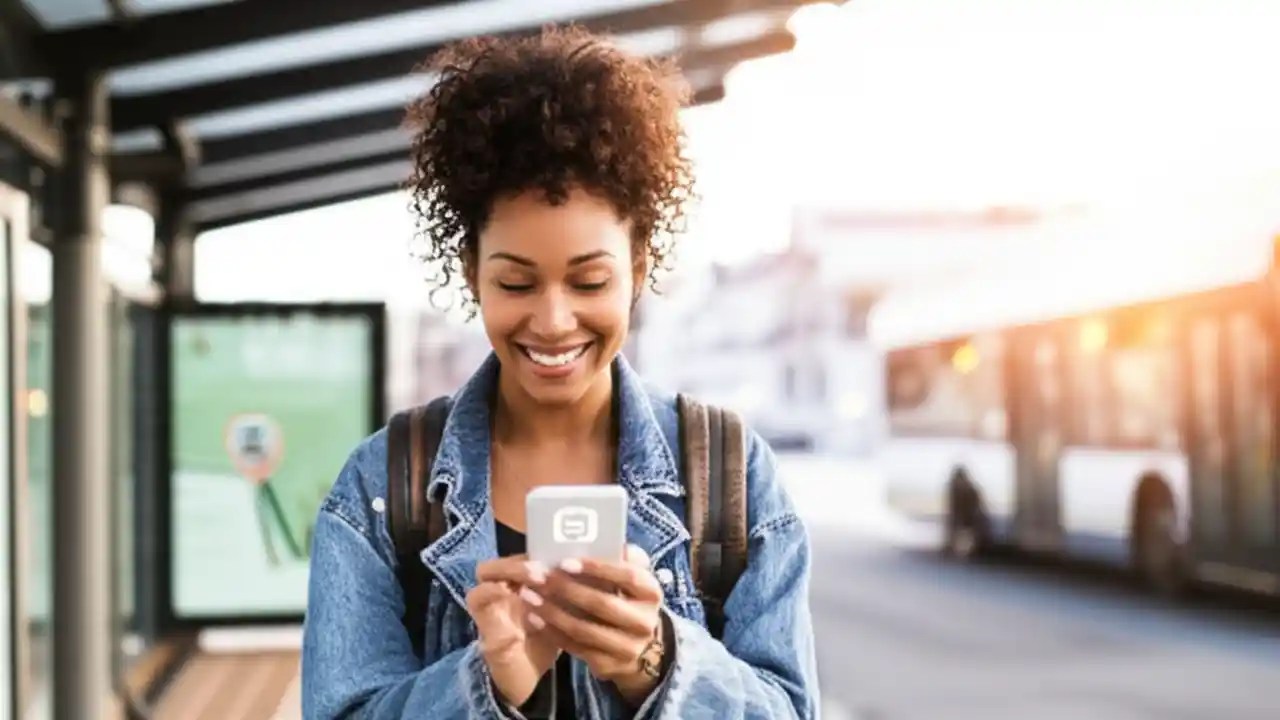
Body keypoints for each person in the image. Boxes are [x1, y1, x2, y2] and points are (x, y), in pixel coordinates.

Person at [300, 25, 820, 719]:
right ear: (471, 274)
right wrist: (488, 683)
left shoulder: (727, 472)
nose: (552, 321)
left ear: (637, 270)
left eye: (589, 281)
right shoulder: (380, 489)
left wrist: (660, 664)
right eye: (516, 284)